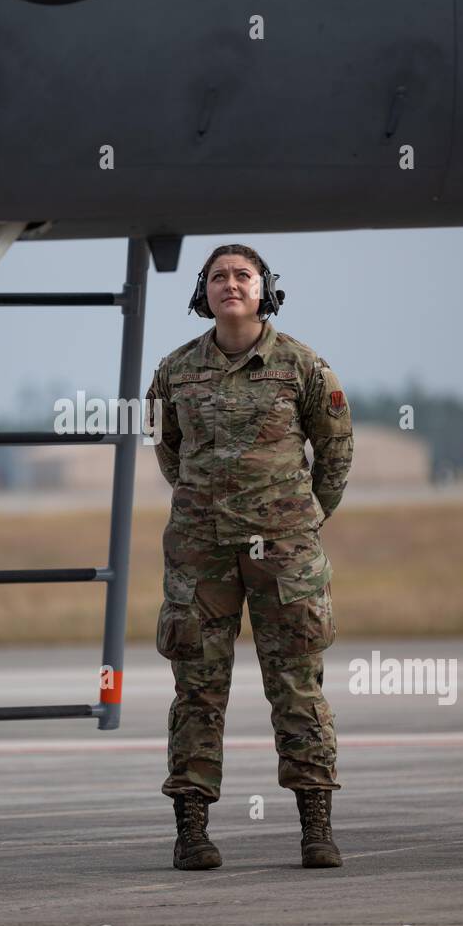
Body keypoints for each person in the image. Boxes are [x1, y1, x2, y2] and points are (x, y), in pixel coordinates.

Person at [144, 244, 353, 871]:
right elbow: (168, 450)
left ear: (264, 289)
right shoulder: (175, 371)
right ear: (203, 293)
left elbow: (335, 449)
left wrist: (305, 517)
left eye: (243, 276)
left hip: (285, 557)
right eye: (218, 277)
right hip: (200, 557)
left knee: (297, 687)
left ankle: (316, 828)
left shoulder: (302, 366)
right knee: (197, 692)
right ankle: (193, 831)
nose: (230, 285)